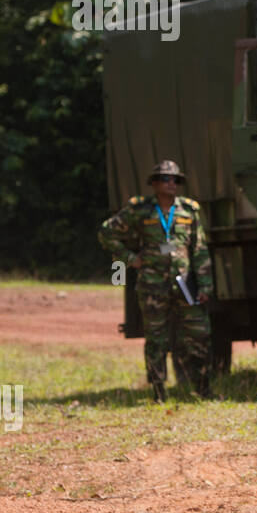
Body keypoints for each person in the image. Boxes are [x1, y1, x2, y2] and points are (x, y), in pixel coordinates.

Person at [99, 160, 213, 402]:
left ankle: (203, 390)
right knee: (156, 339)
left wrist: (205, 286)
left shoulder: (188, 211)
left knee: (199, 334)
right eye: (165, 179)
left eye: (175, 180)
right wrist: (129, 258)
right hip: (152, 286)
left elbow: (200, 250)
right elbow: (107, 232)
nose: (171, 184)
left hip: (184, 285)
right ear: (154, 183)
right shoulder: (140, 210)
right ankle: (159, 393)